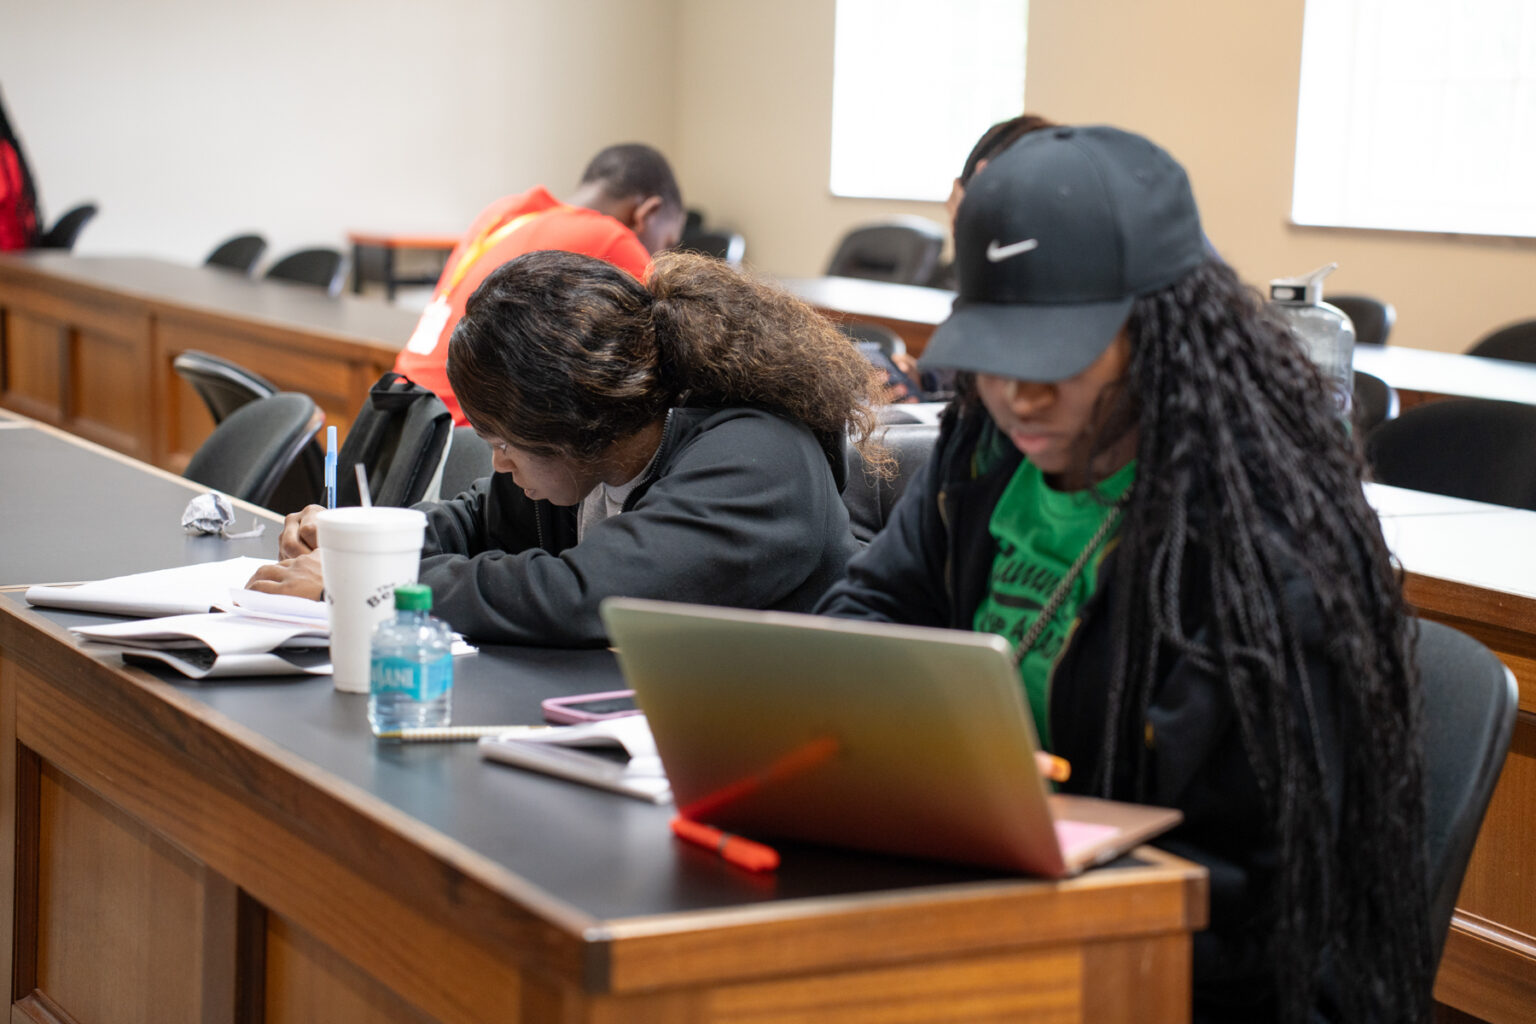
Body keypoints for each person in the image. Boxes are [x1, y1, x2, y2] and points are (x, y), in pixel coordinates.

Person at [816, 126, 1430, 1023]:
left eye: (1059, 356)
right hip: (991, 910)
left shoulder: (1266, 557)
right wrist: (930, 762)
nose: (1019, 394)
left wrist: (1024, 821)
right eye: (995, 351)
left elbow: (1245, 903)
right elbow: (871, 604)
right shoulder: (985, 456)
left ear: (1164, 336)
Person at [250, 248, 888, 646]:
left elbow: (581, 595)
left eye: (508, 445)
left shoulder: (758, 460)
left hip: (804, 734)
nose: (498, 463)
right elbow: (474, 519)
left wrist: (367, 580)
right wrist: (359, 538)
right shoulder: (598, 451)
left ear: (576, 426)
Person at [394, 142, 687, 425]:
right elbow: (670, 345)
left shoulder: (503, 213)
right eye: (666, 243)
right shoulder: (610, 237)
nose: (658, 256)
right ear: (647, 213)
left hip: (399, 407)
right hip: (461, 430)